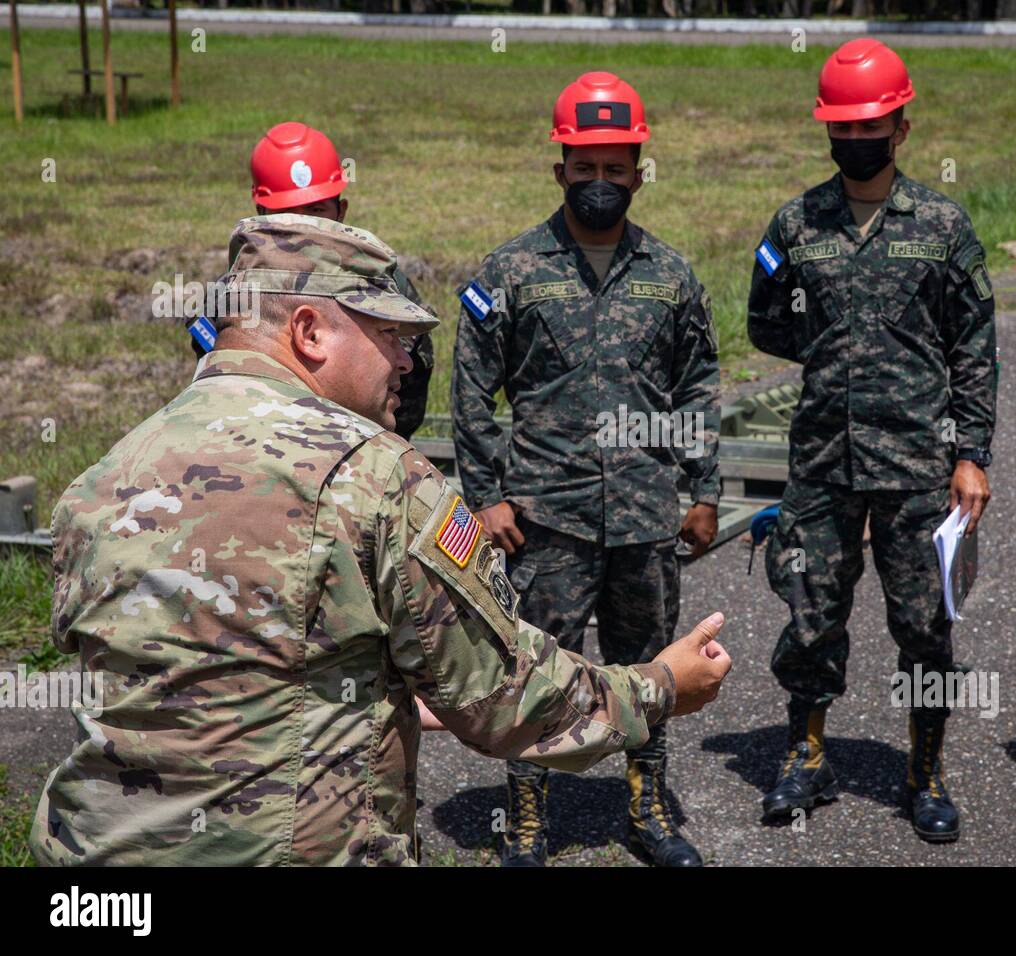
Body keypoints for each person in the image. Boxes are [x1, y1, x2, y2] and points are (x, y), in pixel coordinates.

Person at [28, 215, 731, 867]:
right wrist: (662, 685)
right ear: (309, 330)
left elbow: (192, 673)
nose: (406, 360)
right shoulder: (376, 475)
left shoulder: (102, 476)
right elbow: (505, 697)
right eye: (389, 335)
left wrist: (377, 686)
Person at [452, 71, 722, 867]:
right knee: (535, 669)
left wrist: (703, 490)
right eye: (585, 167)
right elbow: (471, 391)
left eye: (616, 168)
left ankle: (647, 812)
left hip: (646, 514)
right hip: (547, 517)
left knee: (651, 667)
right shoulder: (510, 272)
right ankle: (529, 823)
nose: (600, 183)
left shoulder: (671, 277)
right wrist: (488, 496)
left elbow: (699, 385)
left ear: (639, 172)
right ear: (559, 168)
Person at [747, 38, 996, 844]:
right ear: (827, 130)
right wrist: (836, 361)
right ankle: (807, 754)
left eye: (872, 124)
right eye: (843, 125)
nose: (857, 138)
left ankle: (925, 774)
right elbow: (764, 320)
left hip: (919, 463)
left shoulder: (943, 225)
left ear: (901, 127)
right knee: (811, 614)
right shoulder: (795, 222)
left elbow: (974, 347)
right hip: (822, 460)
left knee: (923, 624)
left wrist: (972, 454)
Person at [186, 121, 434, 442]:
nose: (302, 225)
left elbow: (409, 387)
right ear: (260, 212)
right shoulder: (225, 301)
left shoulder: (384, 290)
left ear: (341, 211)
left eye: (316, 210)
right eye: (287, 212)